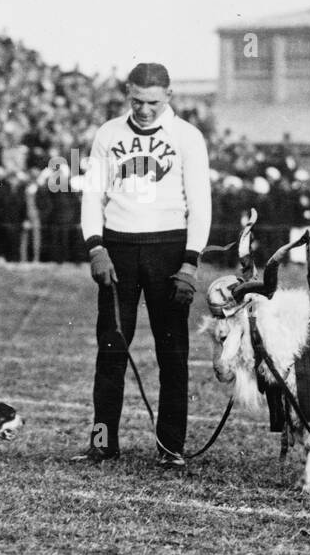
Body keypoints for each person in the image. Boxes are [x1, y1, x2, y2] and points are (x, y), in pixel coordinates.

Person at [73, 63, 211, 468]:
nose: (145, 110)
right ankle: (103, 442)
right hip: (119, 248)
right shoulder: (108, 133)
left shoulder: (187, 137)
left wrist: (190, 262)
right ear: (127, 94)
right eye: (137, 101)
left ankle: (171, 447)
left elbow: (200, 204)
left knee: (173, 353)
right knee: (111, 349)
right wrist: (96, 247)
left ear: (169, 96)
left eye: (153, 102)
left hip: (169, 248)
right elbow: (91, 194)